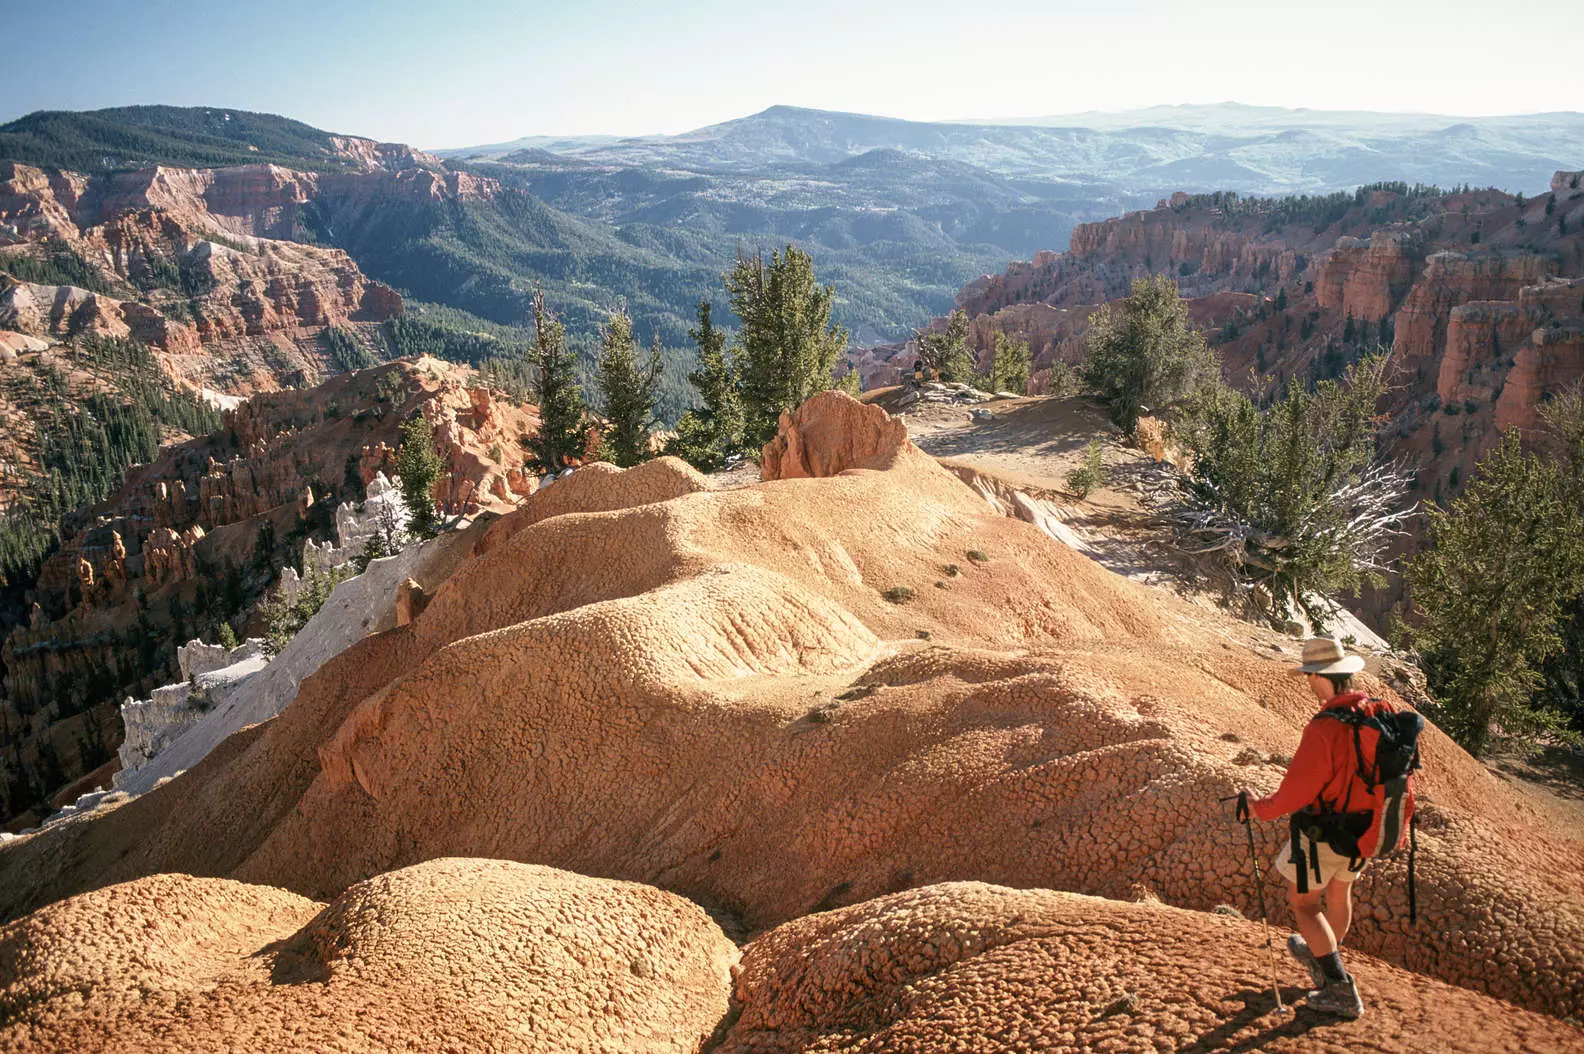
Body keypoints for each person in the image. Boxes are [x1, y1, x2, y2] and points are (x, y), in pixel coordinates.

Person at [1240, 637, 1384, 1020]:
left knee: (1304, 904)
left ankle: (1338, 987)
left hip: (1325, 831)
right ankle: (1326, 956)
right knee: (1340, 894)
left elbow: (1298, 791)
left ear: (1321, 678)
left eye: (1309, 676)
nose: (1306, 682)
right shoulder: (1372, 714)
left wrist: (1259, 809)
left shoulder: (1324, 728)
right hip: (1365, 830)